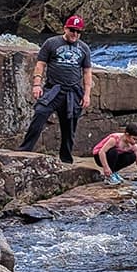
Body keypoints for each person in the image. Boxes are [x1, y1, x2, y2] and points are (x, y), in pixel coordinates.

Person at [17, 15, 93, 163]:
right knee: (40, 113)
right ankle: (24, 151)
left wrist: (87, 94)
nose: (75, 34)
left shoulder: (84, 48)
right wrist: (37, 85)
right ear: (65, 28)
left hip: (73, 91)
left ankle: (66, 159)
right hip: (53, 90)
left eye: (78, 31)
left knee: (69, 126)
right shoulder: (51, 43)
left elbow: (87, 71)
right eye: (72, 30)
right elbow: (40, 64)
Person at [92, 122, 137, 189]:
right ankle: (108, 177)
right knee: (113, 152)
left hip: (114, 157)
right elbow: (101, 152)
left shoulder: (134, 147)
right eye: (134, 139)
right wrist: (106, 167)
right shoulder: (115, 139)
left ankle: (113, 172)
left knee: (132, 156)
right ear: (127, 135)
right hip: (100, 157)